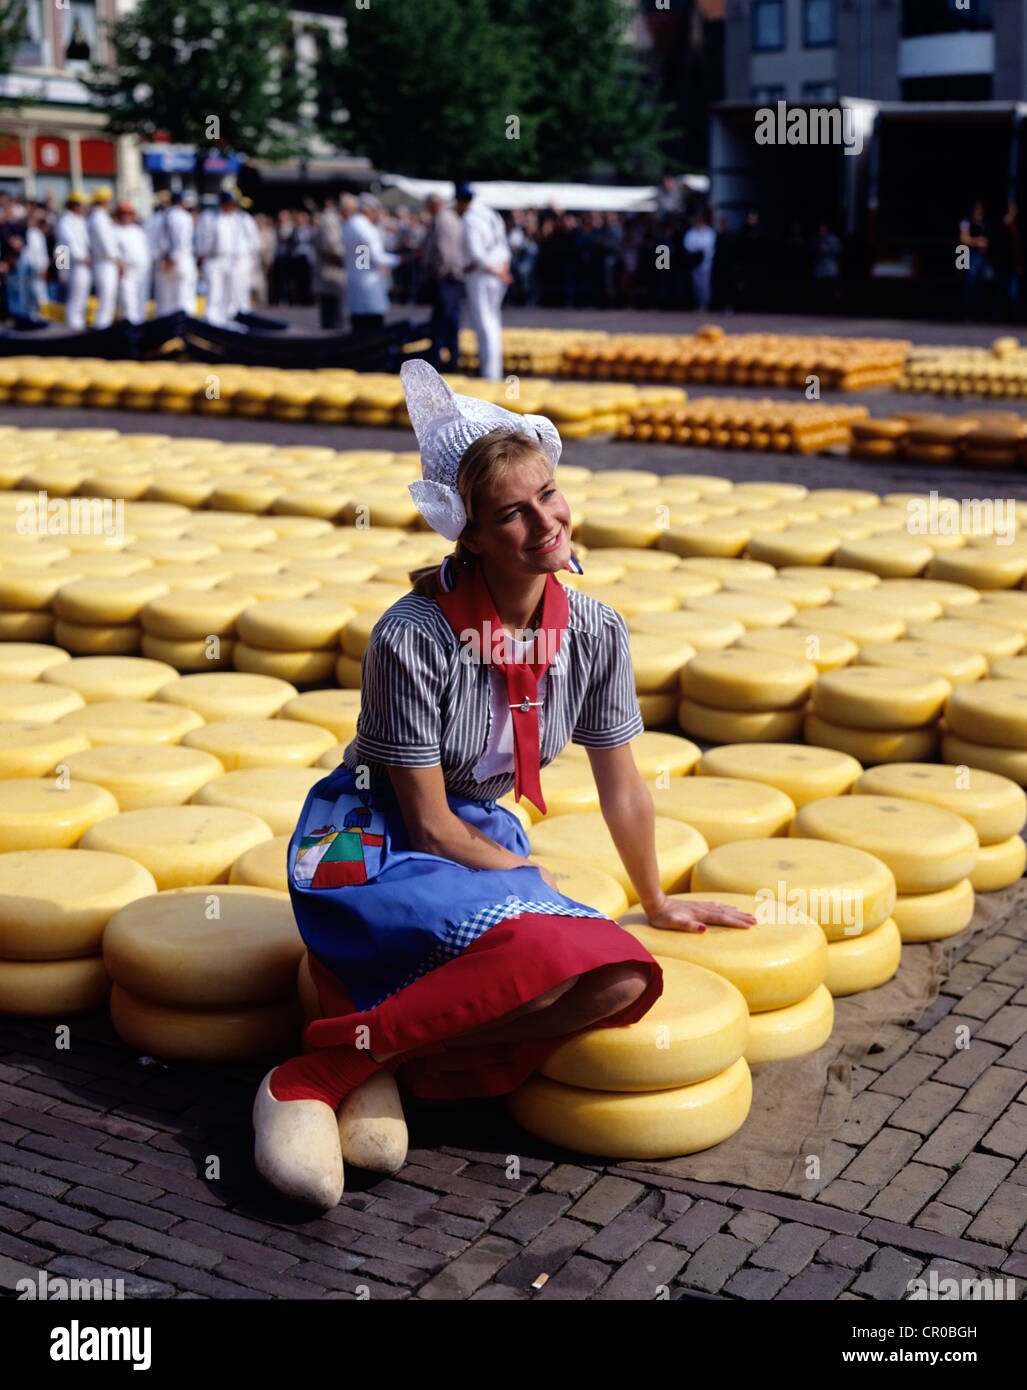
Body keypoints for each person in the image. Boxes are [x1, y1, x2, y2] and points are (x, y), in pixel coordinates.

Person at [252, 359, 755, 1207]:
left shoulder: (594, 631)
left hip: (475, 833)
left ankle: (388, 1060)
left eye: (548, 496)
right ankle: (314, 1072)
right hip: (374, 837)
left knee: (622, 977)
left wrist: (657, 898)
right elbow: (427, 821)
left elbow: (622, 785)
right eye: (512, 514)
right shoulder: (412, 637)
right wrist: (532, 886)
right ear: (472, 536)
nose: (545, 523)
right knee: (561, 943)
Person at [456, 182, 510, 380]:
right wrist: (503, 270)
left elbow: (476, 254)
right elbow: (504, 246)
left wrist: (495, 270)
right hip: (497, 272)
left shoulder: (470, 218)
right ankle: (493, 371)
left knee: (484, 323)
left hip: (482, 273)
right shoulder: (492, 215)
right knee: (493, 321)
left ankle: (489, 373)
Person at [342, 192, 398, 333]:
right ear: (369, 210)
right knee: (371, 330)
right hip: (368, 286)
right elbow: (374, 258)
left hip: (356, 282)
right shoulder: (365, 228)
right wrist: (400, 259)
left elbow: (362, 259)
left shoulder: (351, 224)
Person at [420, 192, 465, 369]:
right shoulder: (451, 218)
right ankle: (449, 356)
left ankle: (443, 357)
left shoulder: (442, 220)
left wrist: (438, 272)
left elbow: (443, 250)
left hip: (446, 277)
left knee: (444, 319)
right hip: (452, 276)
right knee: (449, 317)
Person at [195, 189, 244, 326]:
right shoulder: (209, 217)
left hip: (230, 260)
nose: (232, 207)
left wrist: (237, 254)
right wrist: (203, 254)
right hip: (214, 259)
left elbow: (237, 239)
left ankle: (229, 318)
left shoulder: (234, 219)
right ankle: (212, 320)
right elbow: (203, 237)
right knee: (214, 292)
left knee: (231, 293)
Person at [54, 191, 91, 330]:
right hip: (71, 261)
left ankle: (78, 322)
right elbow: (67, 241)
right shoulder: (65, 220)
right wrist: (80, 257)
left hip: (79, 261)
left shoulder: (80, 220)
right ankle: (73, 324)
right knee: (73, 293)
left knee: (81, 293)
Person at [87, 186, 121, 329]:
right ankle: (102, 327)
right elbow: (107, 244)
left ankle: (103, 325)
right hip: (105, 263)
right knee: (106, 299)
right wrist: (118, 260)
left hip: (103, 263)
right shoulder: (99, 218)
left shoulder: (97, 218)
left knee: (108, 299)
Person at [113, 201, 151, 325]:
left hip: (142, 269)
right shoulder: (115, 231)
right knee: (128, 301)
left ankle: (140, 326)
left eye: (129, 213)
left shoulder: (138, 231)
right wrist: (119, 264)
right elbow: (113, 251)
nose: (126, 216)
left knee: (141, 300)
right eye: (124, 213)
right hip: (127, 270)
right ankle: (130, 327)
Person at [162, 190, 198, 317]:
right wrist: (174, 258)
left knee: (169, 297)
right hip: (181, 258)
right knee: (185, 295)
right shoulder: (184, 217)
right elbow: (182, 240)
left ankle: (169, 328)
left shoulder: (164, 215)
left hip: (166, 261)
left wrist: (167, 259)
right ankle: (185, 326)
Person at [314, 196, 345, 331]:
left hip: (352, 275)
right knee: (333, 318)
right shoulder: (331, 220)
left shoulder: (356, 223)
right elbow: (330, 247)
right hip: (334, 273)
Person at [959, 201, 993, 323]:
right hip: (966, 254)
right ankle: (965, 314)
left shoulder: (983, 223)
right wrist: (978, 241)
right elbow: (964, 239)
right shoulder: (966, 222)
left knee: (980, 285)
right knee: (968, 284)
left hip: (981, 256)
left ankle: (977, 314)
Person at [683, 205, 716, 312]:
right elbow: (688, 245)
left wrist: (701, 250)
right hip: (694, 261)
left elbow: (709, 246)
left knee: (705, 284)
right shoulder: (692, 232)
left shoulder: (709, 232)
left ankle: (705, 304)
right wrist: (696, 250)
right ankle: (696, 303)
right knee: (695, 284)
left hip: (706, 262)